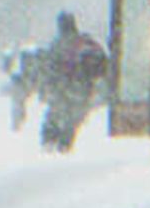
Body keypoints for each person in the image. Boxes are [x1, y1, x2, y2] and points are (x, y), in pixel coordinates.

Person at [39, 11, 108, 153]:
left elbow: (48, 67)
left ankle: (50, 141)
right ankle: (66, 143)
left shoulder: (57, 44)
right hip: (82, 88)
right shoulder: (84, 41)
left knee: (55, 113)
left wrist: (48, 86)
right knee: (74, 117)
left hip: (62, 87)